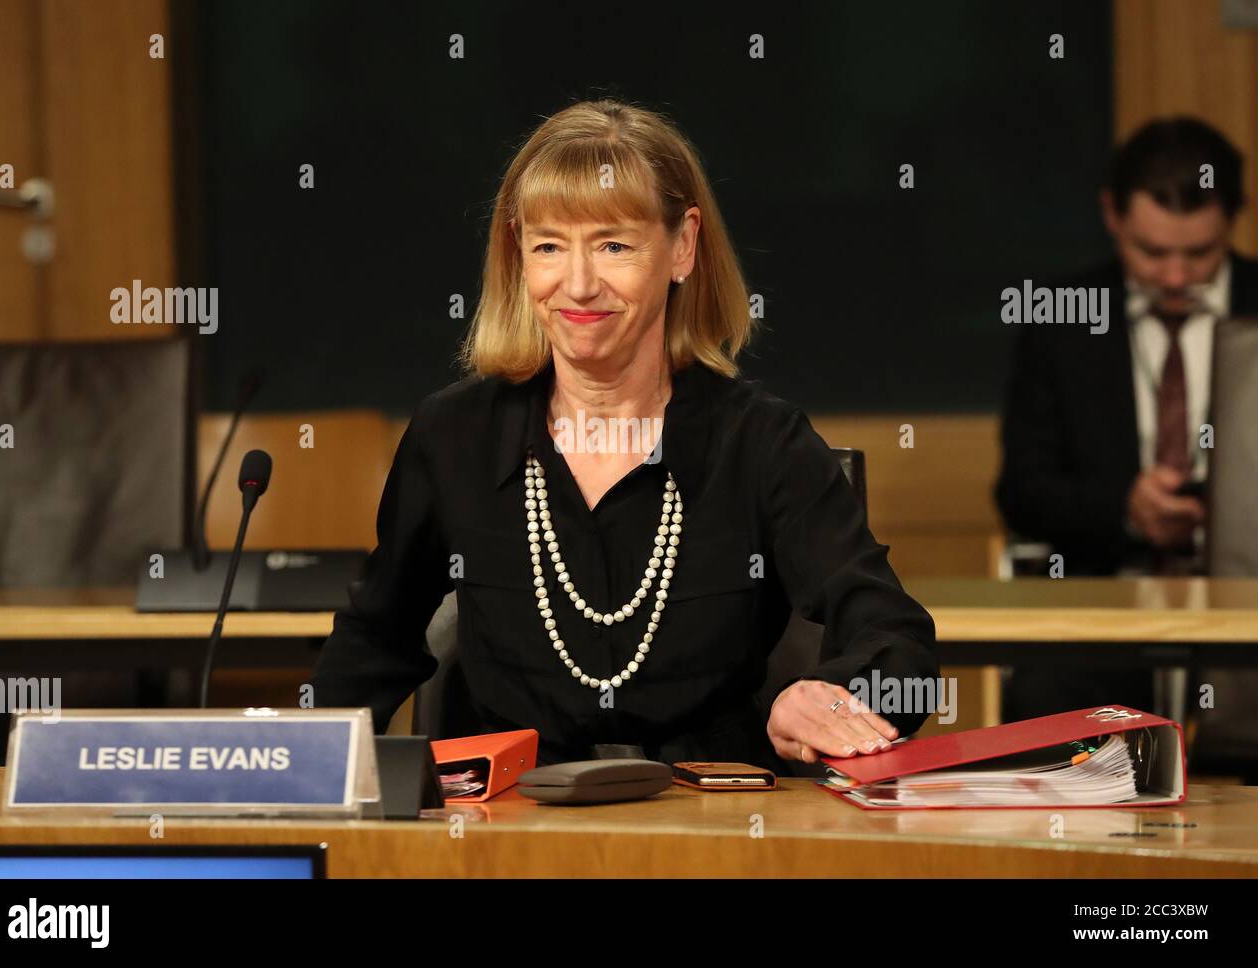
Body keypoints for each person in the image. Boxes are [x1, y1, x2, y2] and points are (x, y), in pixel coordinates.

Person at [310, 99, 937, 774]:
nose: (579, 285)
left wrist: (833, 698)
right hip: (511, 820)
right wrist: (293, 770)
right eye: (549, 246)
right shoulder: (454, 437)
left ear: (682, 246)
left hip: (714, 819)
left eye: (613, 245)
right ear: (518, 255)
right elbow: (373, 644)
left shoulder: (761, 442)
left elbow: (897, 640)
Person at [996, 116, 1258, 721]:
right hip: (1107, 597)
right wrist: (1126, 509)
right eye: (1152, 252)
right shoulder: (1060, 321)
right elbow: (1023, 493)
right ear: (1112, 215)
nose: (1176, 277)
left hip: (1248, 601)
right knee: (1044, 698)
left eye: (1200, 253)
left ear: (1232, 221)